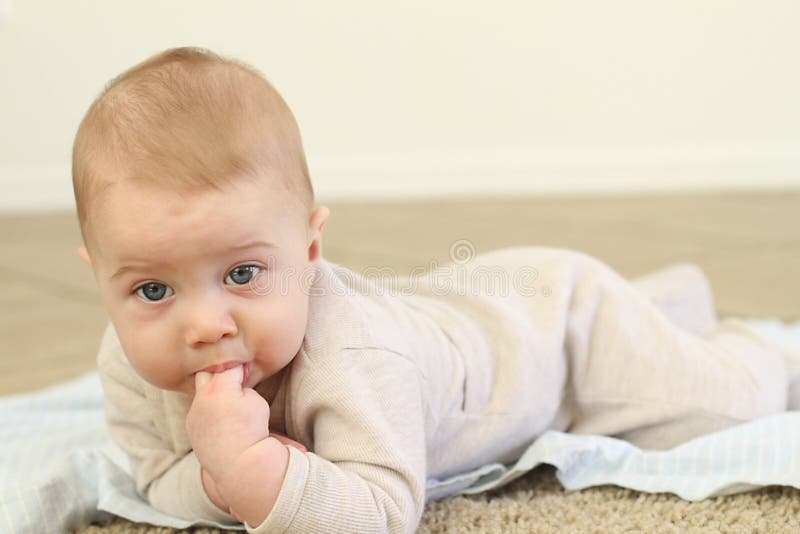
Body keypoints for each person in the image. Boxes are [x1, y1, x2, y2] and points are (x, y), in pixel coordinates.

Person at [72, 46, 794, 533]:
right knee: (459, 320)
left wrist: (253, 468)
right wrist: (220, 480)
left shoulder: (354, 354)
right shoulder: (125, 364)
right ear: (102, 278)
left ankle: (755, 345)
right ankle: (667, 306)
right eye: (153, 291)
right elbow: (159, 473)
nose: (204, 324)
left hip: (561, 341)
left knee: (722, 404)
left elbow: (385, 509)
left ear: (311, 250)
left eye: (241, 275)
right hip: (458, 314)